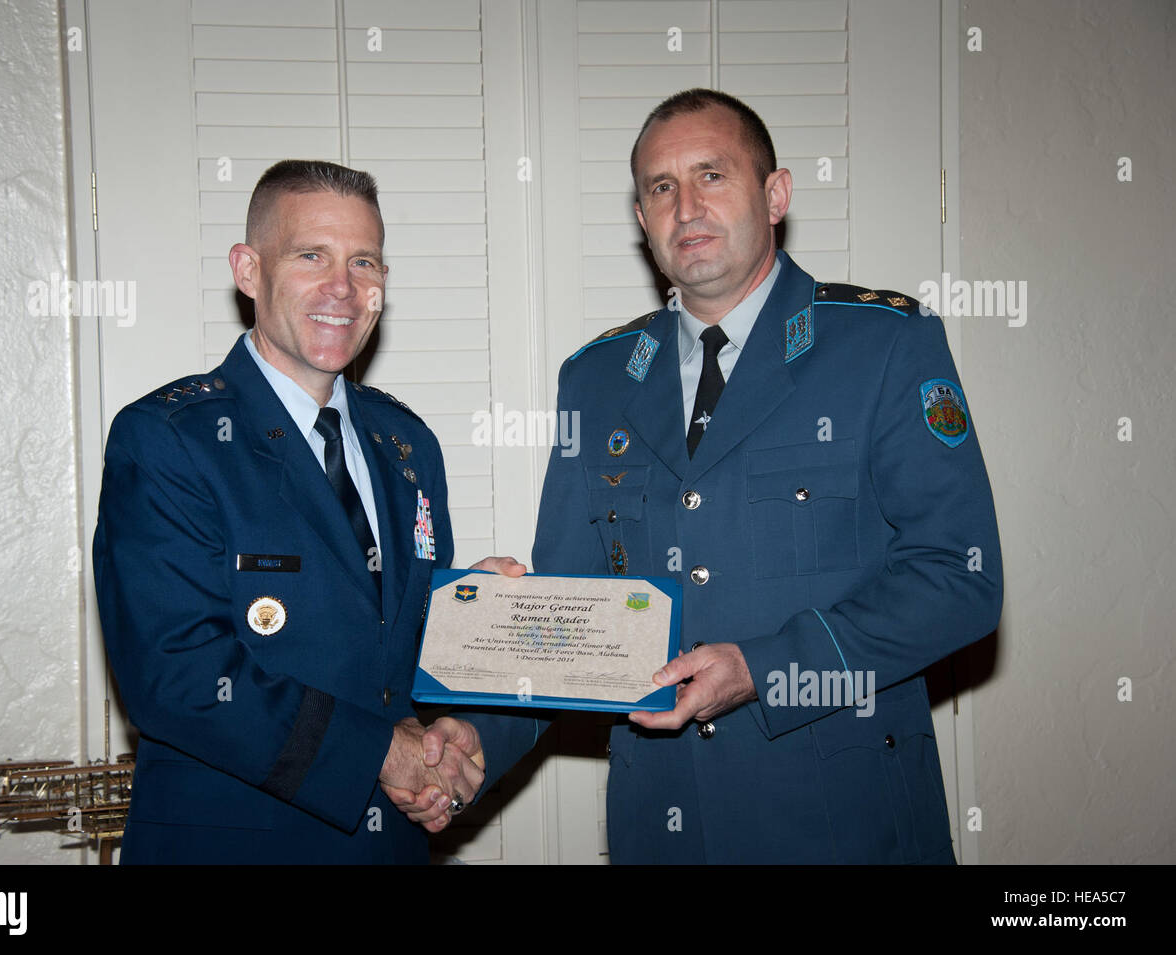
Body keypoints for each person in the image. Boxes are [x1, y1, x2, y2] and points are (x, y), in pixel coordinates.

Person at [406, 89, 1003, 863]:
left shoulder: (883, 345)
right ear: (641, 219)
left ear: (776, 193)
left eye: (712, 176)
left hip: (844, 820)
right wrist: (472, 743)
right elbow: (571, 624)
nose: (685, 206)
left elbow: (960, 577)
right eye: (660, 188)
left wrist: (765, 668)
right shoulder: (597, 378)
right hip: (662, 823)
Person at [92, 160, 512, 863]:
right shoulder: (170, 439)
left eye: (364, 260)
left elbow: (388, 648)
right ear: (249, 269)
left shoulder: (408, 444)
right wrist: (380, 753)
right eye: (310, 255)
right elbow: (178, 674)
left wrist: (477, 613)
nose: (342, 287)